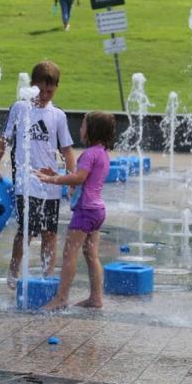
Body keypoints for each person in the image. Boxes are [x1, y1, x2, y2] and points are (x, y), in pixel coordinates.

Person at [0, 60, 75, 287]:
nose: (45, 95)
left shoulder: (58, 116)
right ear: (32, 85)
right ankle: (14, 272)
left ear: (56, 88)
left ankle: (47, 277)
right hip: (26, 182)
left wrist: (72, 177)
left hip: (51, 185)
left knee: (50, 234)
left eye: (50, 90)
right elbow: (3, 140)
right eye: (41, 89)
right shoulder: (20, 108)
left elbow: (66, 150)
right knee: (26, 231)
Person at [35, 112, 116, 311]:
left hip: (85, 210)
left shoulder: (89, 154)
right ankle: (96, 298)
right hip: (97, 210)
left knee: (69, 254)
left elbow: (79, 179)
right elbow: (84, 178)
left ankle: (61, 298)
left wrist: (53, 180)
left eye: (83, 125)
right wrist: (58, 174)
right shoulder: (102, 153)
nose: (80, 129)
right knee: (91, 254)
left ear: (92, 130)